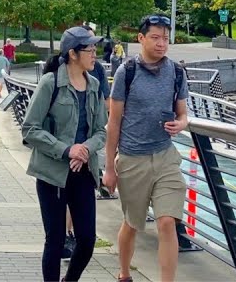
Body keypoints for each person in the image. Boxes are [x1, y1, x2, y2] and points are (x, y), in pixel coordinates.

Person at [103, 14, 189, 282]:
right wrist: (109, 169)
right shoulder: (126, 72)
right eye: (155, 37)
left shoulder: (176, 72)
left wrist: (181, 124)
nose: (162, 43)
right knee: (132, 224)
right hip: (132, 159)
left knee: (167, 222)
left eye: (165, 38)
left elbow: (183, 113)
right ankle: (125, 273)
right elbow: (114, 122)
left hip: (165, 157)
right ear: (140, 38)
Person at [21, 26, 108, 282]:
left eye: (95, 49)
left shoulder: (93, 85)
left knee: (87, 240)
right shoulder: (51, 83)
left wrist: (86, 149)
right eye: (89, 49)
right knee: (56, 240)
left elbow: (101, 131)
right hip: (52, 174)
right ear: (72, 53)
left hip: (84, 172)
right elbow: (30, 129)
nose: (95, 54)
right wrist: (67, 149)